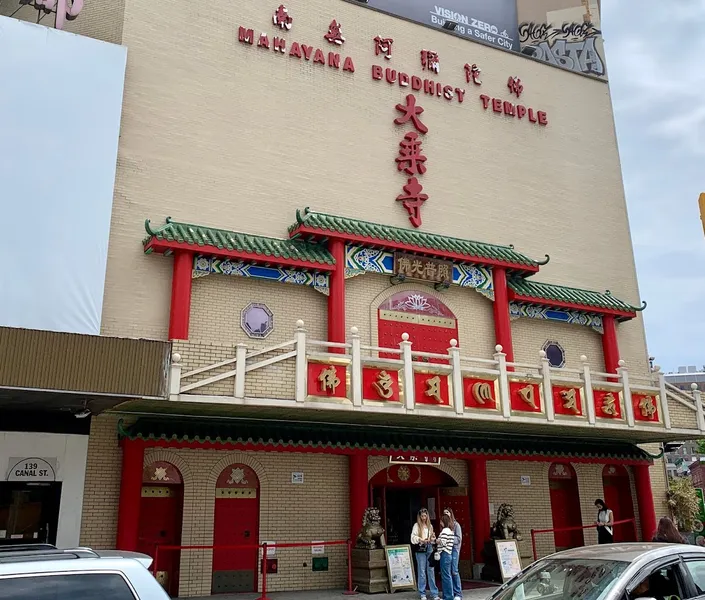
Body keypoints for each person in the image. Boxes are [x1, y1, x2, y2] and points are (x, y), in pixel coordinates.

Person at [411, 508, 439, 600]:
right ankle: (422, 593)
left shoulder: (430, 526)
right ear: (419, 517)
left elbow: (432, 538)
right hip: (421, 549)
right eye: (422, 516)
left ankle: (434, 593)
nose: (424, 518)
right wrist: (420, 539)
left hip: (429, 547)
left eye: (425, 516)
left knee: (431, 570)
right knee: (422, 571)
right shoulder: (416, 526)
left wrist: (432, 538)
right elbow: (413, 537)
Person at [443, 508, 463, 600]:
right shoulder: (444, 526)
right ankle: (449, 593)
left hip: (454, 550)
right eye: (444, 513)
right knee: (447, 573)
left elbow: (458, 539)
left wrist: (449, 538)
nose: (446, 514)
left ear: (451, 513)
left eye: (447, 512)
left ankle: (458, 593)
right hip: (446, 550)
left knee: (454, 571)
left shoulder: (456, 525)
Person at [437, 514, 455, 600]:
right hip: (449, 554)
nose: (440, 522)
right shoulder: (451, 531)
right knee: (447, 576)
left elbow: (443, 542)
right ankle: (447, 596)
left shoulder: (444, 531)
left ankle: (448, 597)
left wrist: (436, 540)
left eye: (441, 521)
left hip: (444, 554)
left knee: (445, 576)